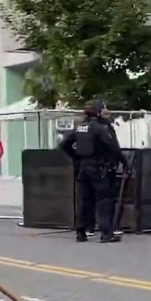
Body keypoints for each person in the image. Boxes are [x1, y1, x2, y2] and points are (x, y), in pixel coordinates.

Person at [60, 100, 126, 243]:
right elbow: (113, 147)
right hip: (98, 168)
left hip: (82, 168)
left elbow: (64, 145)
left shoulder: (79, 128)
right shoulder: (98, 128)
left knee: (85, 200)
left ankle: (81, 232)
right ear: (98, 112)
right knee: (104, 199)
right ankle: (106, 233)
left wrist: (76, 156)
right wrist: (124, 162)